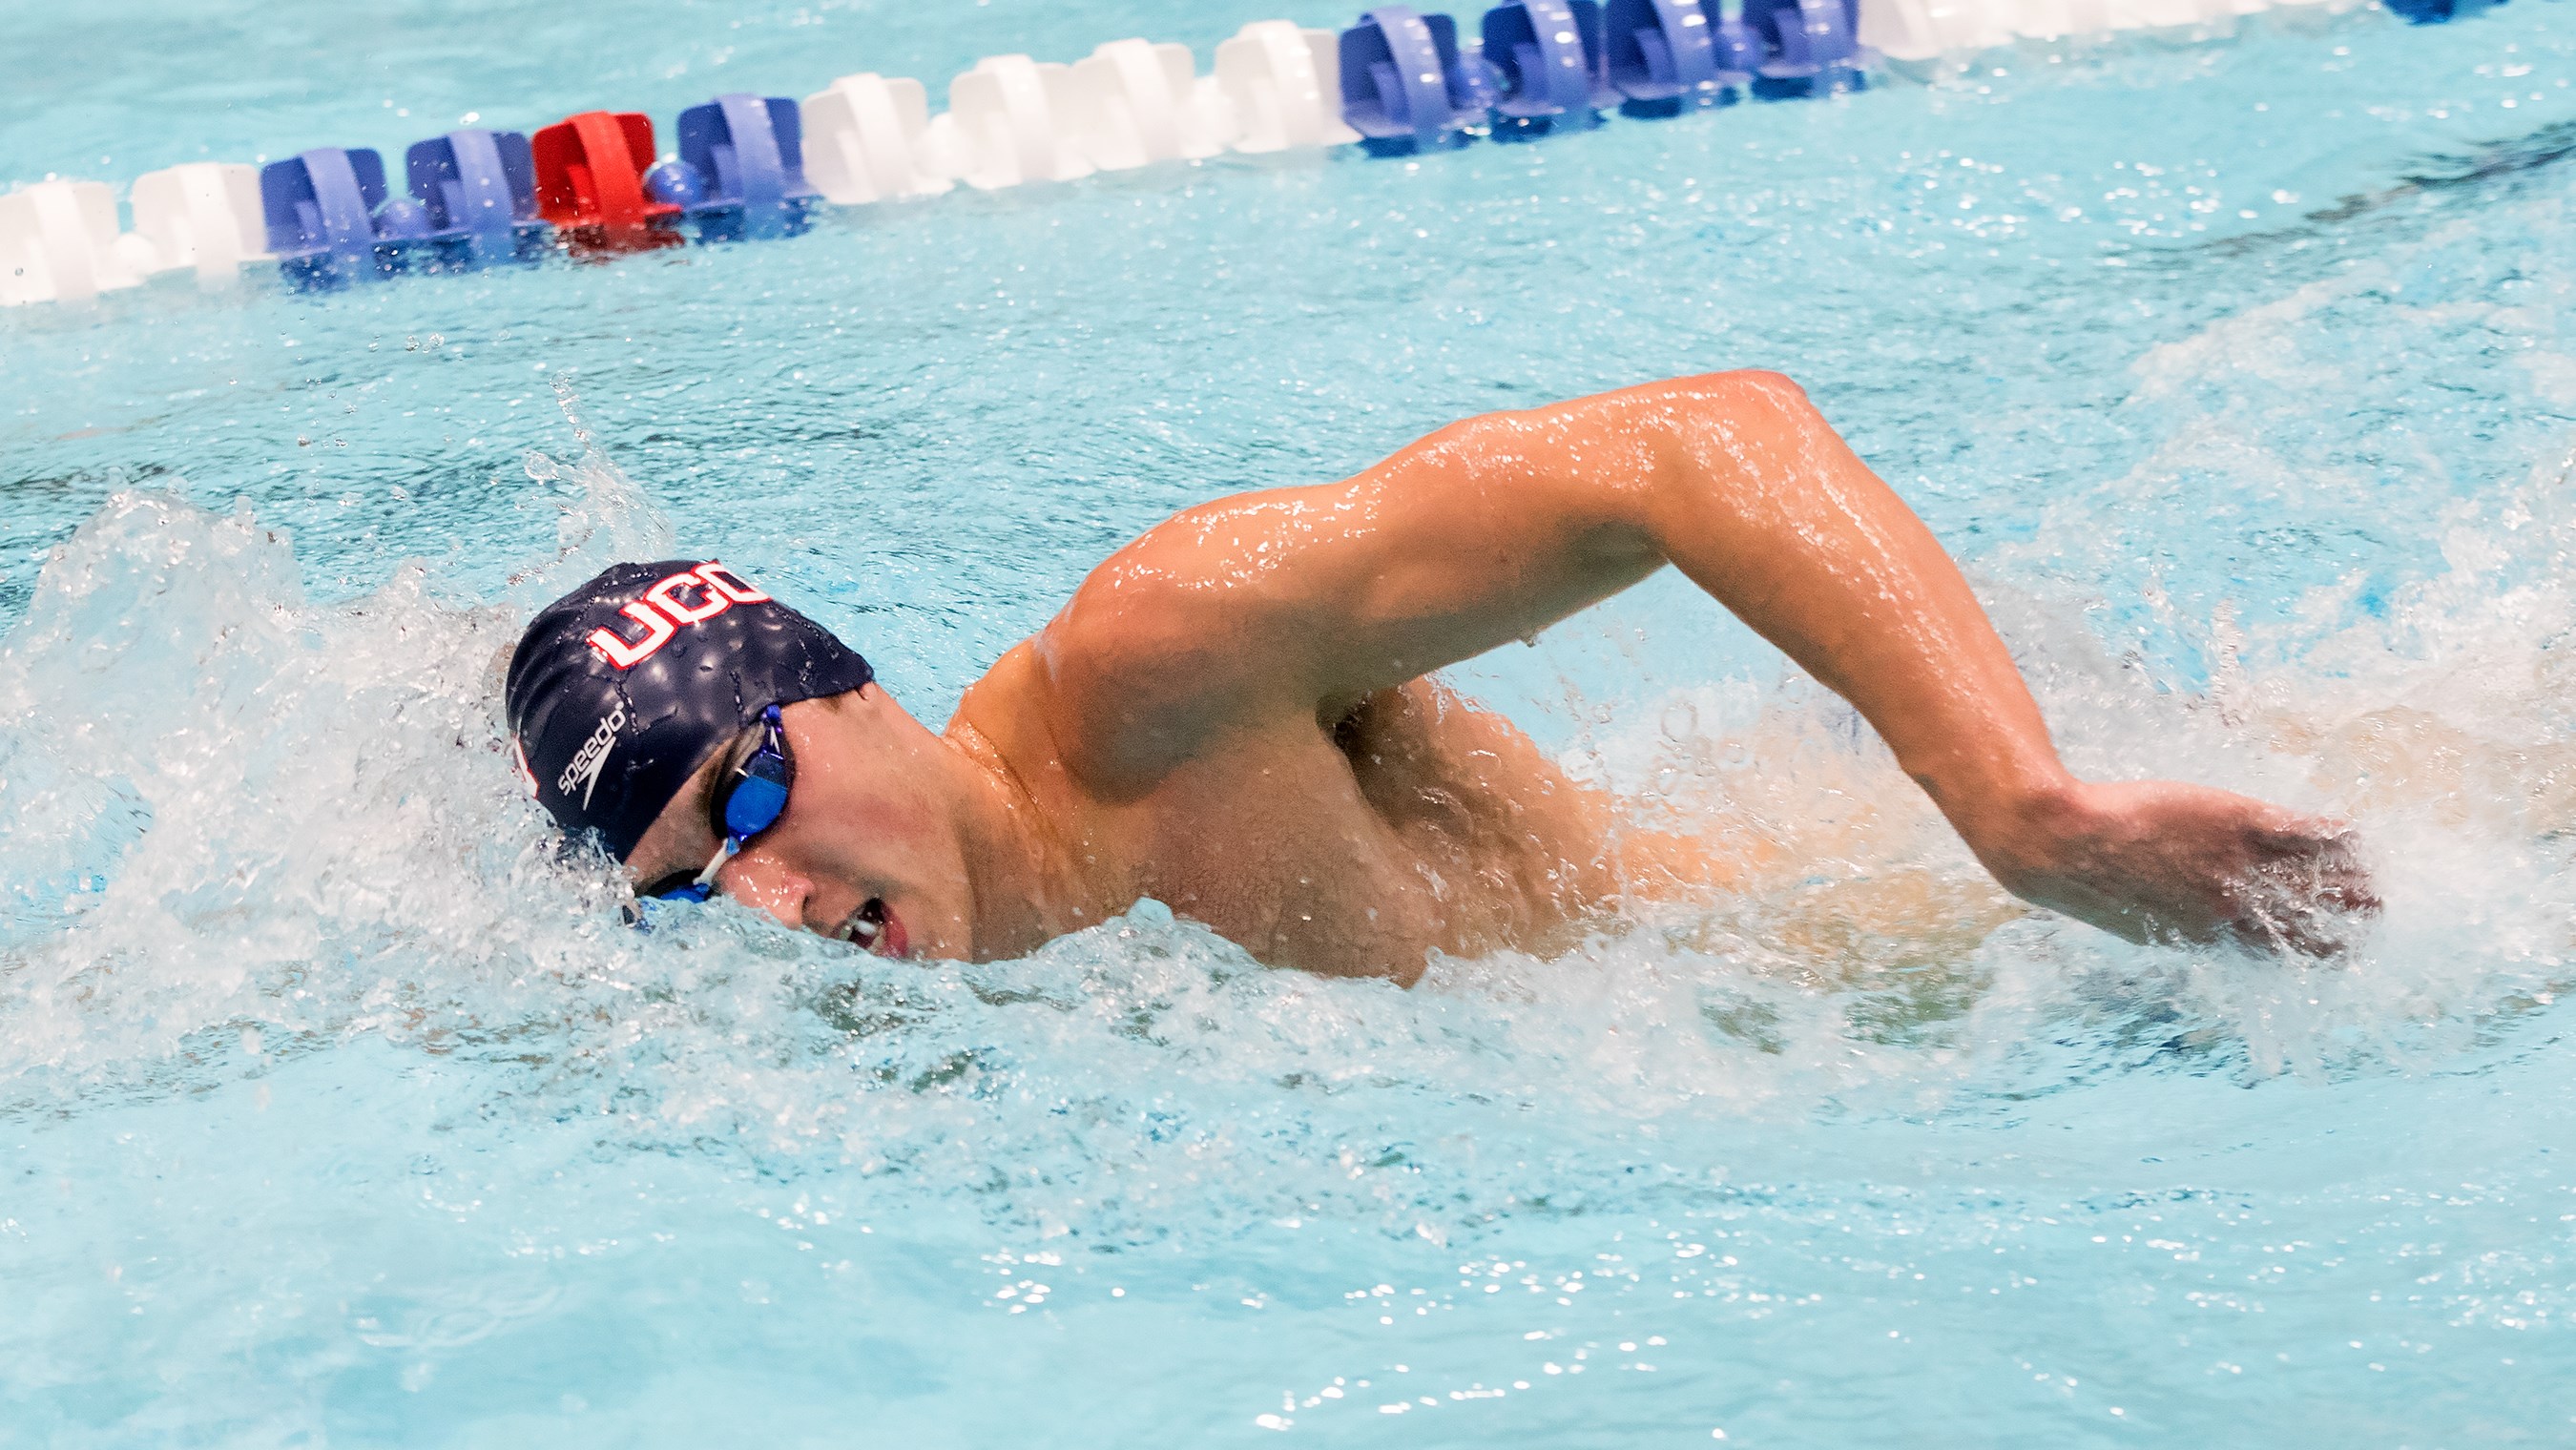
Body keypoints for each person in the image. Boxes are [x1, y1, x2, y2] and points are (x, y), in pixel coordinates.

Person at [507, 372, 2376, 982]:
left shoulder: (1156, 665)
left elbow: (1700, 439)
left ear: (833, 685)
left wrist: (2020, 814)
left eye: (744, 802)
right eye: (694, 882)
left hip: (1951, 929)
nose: (770, 893)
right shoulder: (882, 995)